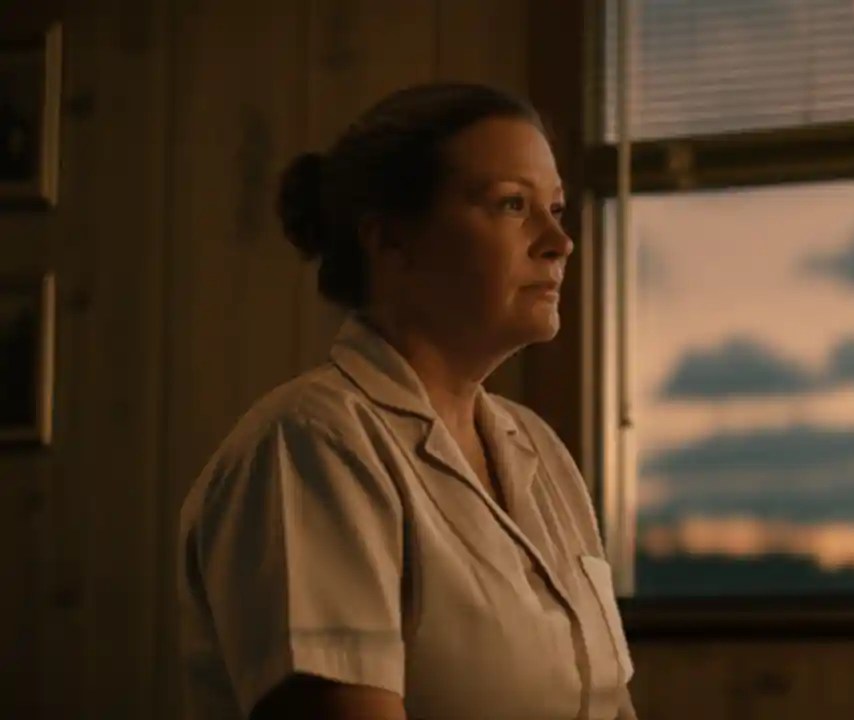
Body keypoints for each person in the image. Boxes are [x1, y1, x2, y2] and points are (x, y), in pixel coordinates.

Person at [177, 83, 636, 720]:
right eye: (512, 204)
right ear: (389, 239)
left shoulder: (538, 450)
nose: (559, 240)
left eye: (555, 207)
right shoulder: (312, 445)